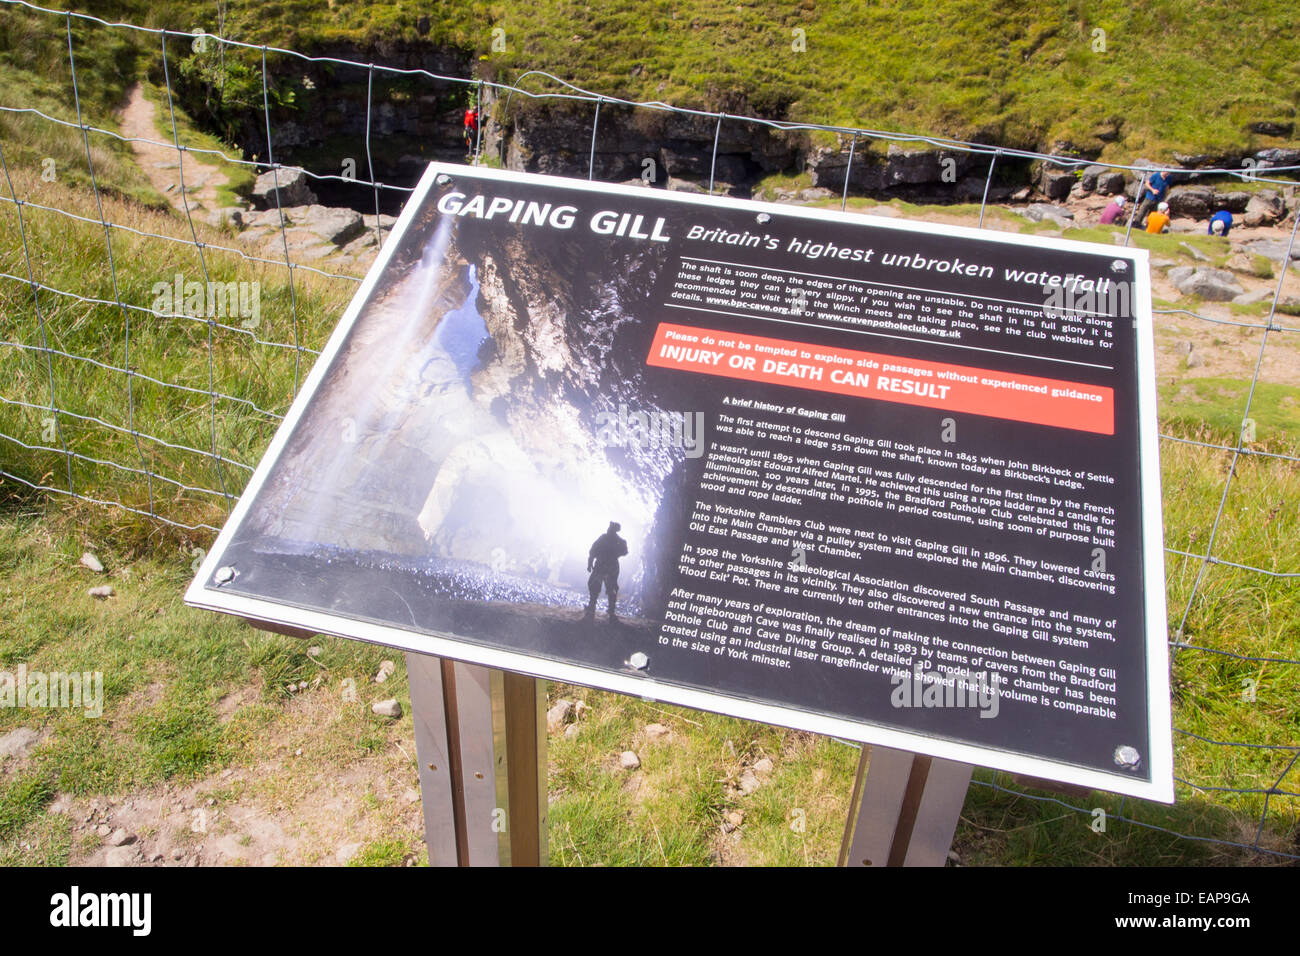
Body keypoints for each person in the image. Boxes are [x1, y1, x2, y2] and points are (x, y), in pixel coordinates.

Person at [585, 521, 628, 621]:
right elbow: (593, 550)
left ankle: (594, 608)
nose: (608, 529)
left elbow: (593, 550)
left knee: (600, 586)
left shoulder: (606, 538)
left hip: (602, 565)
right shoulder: (618, 540)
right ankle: (609, 610)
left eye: (610, 528)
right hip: (610, 566)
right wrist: (590, 562)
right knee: (607, 587)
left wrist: (590, 563)